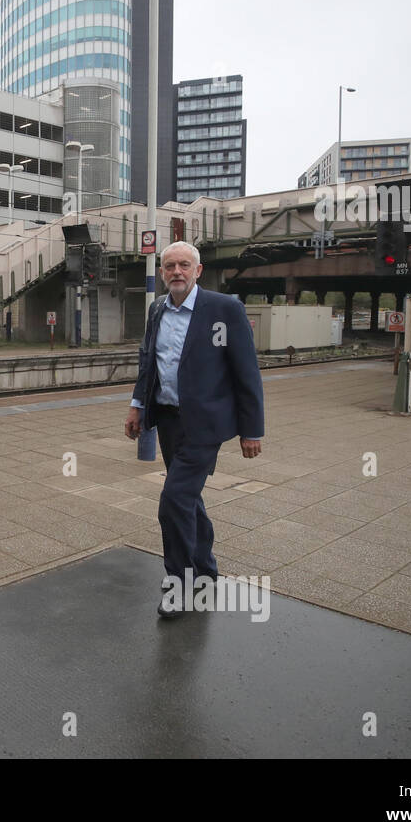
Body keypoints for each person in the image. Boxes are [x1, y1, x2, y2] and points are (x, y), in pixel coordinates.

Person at [123, 241, 264, 619]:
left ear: (198, 271)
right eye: (169, 266)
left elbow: (246, 372)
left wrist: (252, 430)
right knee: (188, 498)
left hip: (206, 424)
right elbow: (148, 360)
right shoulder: (157, 310)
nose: (177, 272)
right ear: (163, 272)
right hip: (168, 419)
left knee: (173, 500)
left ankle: (179, 586)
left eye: (184, 265)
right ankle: (205, 567)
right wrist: (138, 406)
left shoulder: (224, 309)